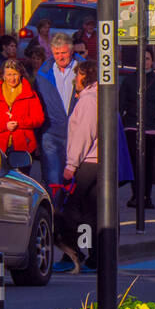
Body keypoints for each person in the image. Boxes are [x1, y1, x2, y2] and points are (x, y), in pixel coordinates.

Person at [56, 60, 100, 273]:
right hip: (97, 162)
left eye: (79, 76)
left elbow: (83, 134)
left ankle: (75, 253)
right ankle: (91, 255)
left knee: (72, 210)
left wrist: (71, 165)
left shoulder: (88, 101)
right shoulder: (98, 97)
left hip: (87, 163)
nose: (75, 80)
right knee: (90, 212)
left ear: (86, 76)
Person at [119, 48, 155, 210]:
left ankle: (147, 197)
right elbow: (120, 105)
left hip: (151, 128)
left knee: (148, 164)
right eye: (142, 58)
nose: (145, 61)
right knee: (135, 163)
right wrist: (117, 127)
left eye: (148, 58)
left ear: (152, 61)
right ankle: (136, 195)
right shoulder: (129, 80)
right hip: (132, 127)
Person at [0, 58, 46, 168]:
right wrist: (5, 126)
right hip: (0, 146)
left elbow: (39, 118)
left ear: (21, 74)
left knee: (21, 181)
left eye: (15, 74)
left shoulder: (30, 94)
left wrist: (19, 123)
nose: (12, 78)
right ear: (3, 76)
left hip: (23, 146)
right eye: (9, 74)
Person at [34, 33, 79, 189]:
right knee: (53, 176)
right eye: (56, 53)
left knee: (76, 179)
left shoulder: (84, 70)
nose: (60, 57)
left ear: (71, 51)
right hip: (51, 132)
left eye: (64, 53)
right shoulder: (43, 74)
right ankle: (55, 210)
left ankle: (72, 211)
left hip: (78, 133)